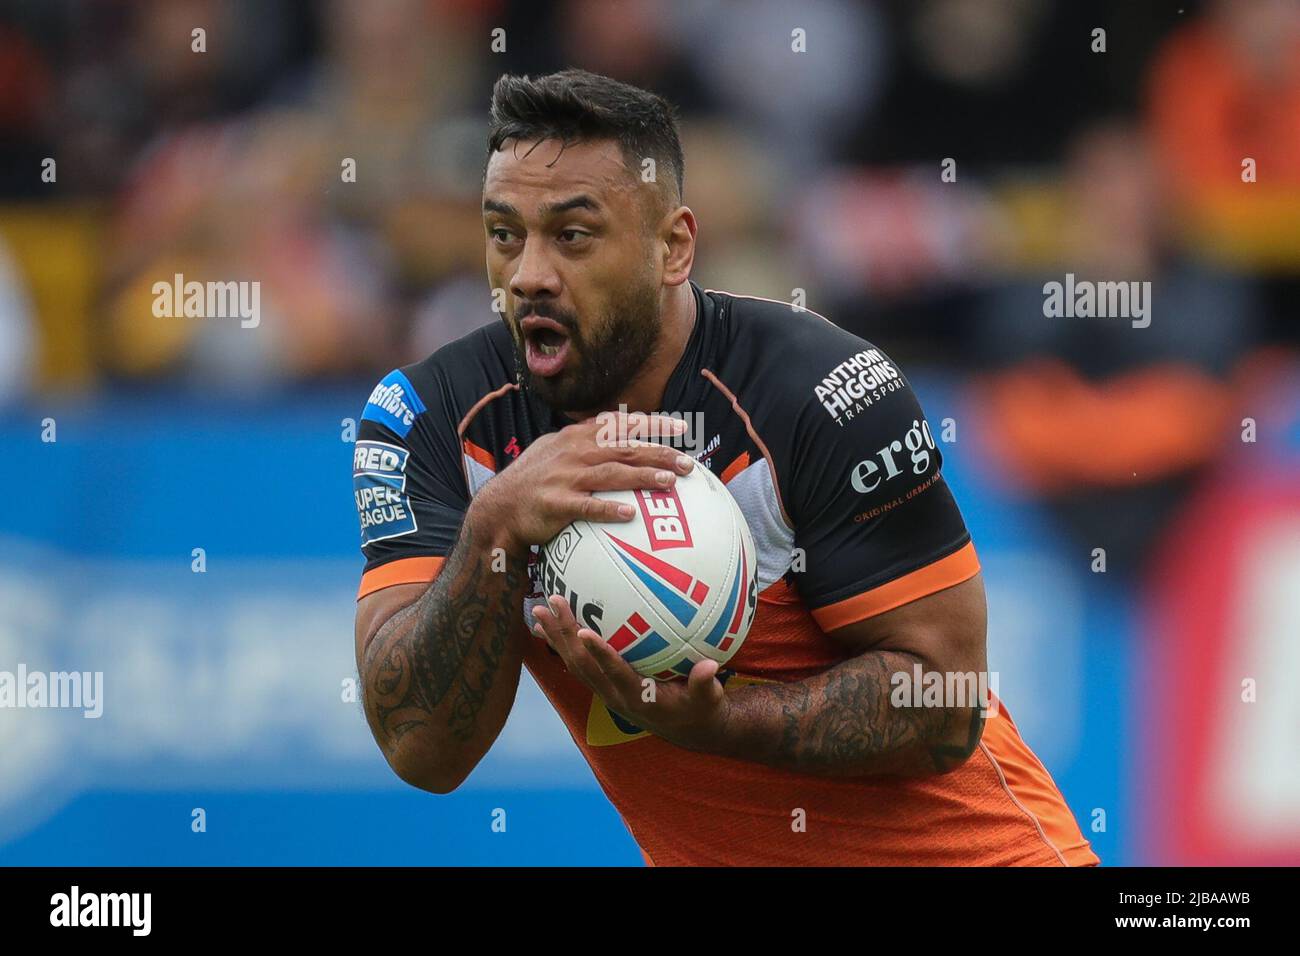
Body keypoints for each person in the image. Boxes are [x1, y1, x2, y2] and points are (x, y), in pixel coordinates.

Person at [351, 69, 1098, 866]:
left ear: (673, 247)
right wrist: (494, 528)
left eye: (572, 236)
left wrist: (721, 725)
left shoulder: (819, 390)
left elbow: (946, 707)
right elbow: (421, 749)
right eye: (505, 235)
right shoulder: (428, 420)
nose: (529, 274)